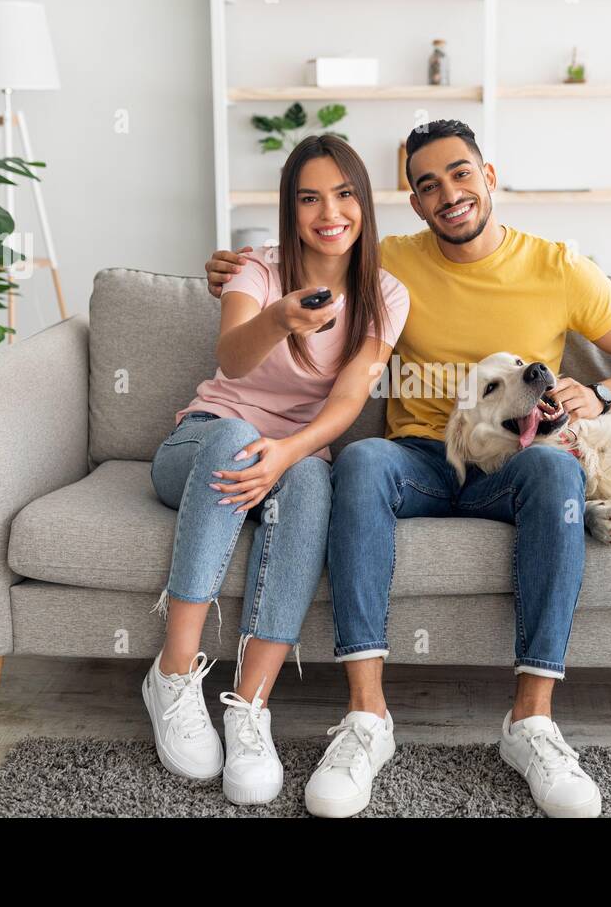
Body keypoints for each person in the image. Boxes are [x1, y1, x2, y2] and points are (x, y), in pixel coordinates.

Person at [206, 120, 611, 818]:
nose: (448, 193)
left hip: (513, 463)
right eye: (428, 185)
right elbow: (307, 250)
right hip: (420, 461)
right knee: (362, 459)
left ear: (490, 176)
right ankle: (368, 720)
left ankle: (532, 725)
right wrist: (229, 268)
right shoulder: (390, 260)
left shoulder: (561, 268)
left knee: (557, 475)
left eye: (460, 174)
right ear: (415, 202)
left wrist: (604, 393)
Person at [146, 134, 408, 806]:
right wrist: (279, 320)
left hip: (291, 463)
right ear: (290, 209)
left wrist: (289, 453)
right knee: (236, 432)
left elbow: (350, 399)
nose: (330, 212)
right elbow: (232, 358)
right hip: (202, 445)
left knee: (317, 474)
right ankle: (174, 675)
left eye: (345, 194)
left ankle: (249, 706)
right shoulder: (257, 271)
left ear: (365, 204)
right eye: (310, 197)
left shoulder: (384, 293)